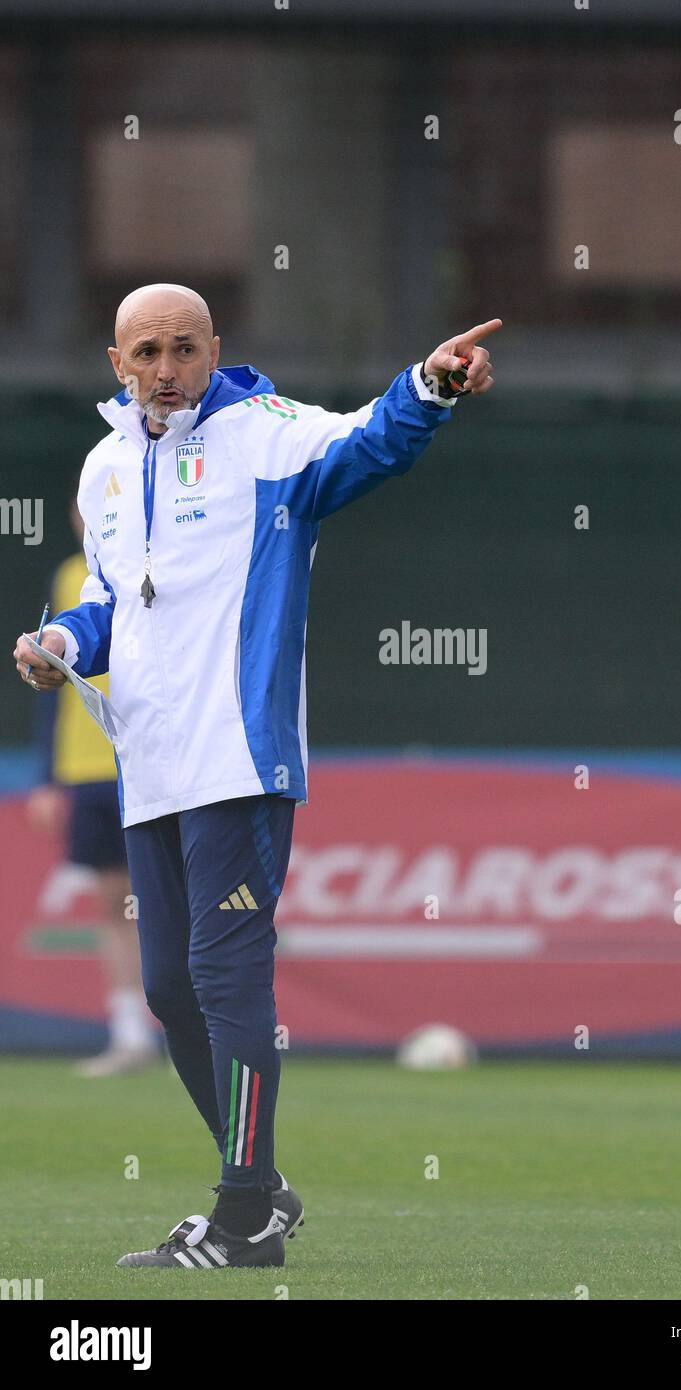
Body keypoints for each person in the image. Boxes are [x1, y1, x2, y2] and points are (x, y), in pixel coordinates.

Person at [12, 283, 499, 1270]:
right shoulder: (104, 467)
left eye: (183, 348)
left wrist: (428, 387)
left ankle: (240, 1218)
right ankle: (260, 1190)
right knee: (165, 987)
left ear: (212, 350)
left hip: (236, 756)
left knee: (224, 972)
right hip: (147, 764)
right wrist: (62, 637)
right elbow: (116, 600)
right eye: (144, 350)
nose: (164, 367)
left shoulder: (261, 434)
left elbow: (366, 442)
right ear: (116, 363)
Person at [28, 491, 158, 1077]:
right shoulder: (68, 576)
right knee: (111, 904)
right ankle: (131, 1035)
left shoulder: (152, 567)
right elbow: (46, 681)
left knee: (171, 900)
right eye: (78, 507)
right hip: (85, 771)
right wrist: (47, 778)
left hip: (148, 760)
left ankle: (196, 1026)